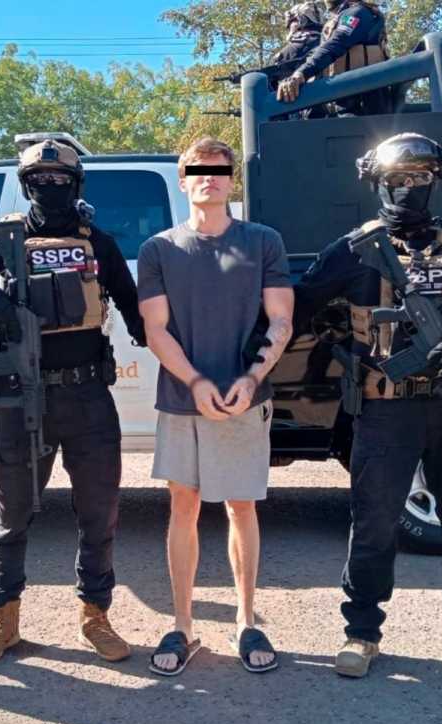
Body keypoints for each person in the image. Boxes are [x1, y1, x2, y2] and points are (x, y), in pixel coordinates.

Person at [293, 133, 442, 680]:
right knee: (373, 528)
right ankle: (362, 633)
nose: (407, 189)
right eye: (396, 179)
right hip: (385, 412)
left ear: (436, 182)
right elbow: (298, 306)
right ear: (376, 182)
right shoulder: (353, 250)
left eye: (419, 179)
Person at [0, 140, 145, 667]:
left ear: (76, 184)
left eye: (59, 179)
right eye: (39, 179)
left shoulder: (96, 242)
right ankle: (4, 617)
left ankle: (95, 615)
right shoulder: (2, 241)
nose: (50, 186)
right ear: (26, 184)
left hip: (88, 397)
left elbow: (136, 311)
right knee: (13, 513)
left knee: (99, 513)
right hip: (20, 396)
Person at [138, 137, 294, 676]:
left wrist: (252, 378)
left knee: (241, 506)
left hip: (244, 398)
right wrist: (196, 381)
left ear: (232, 180)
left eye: (220, 170)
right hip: (182, 398)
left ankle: (246, 621)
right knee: (182, 506)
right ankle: (183, 626)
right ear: (183, 181)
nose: (209, 178)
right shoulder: (158, 249)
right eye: (198, 170)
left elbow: (281, 320)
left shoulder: (263, 241)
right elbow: (156, 329)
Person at [276, 0, 391, 116]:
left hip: (364, 102)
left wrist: (301, 73)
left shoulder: (357, 12)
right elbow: (320, 54)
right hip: (344, 98)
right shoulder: (340, 17)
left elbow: (337, 43)